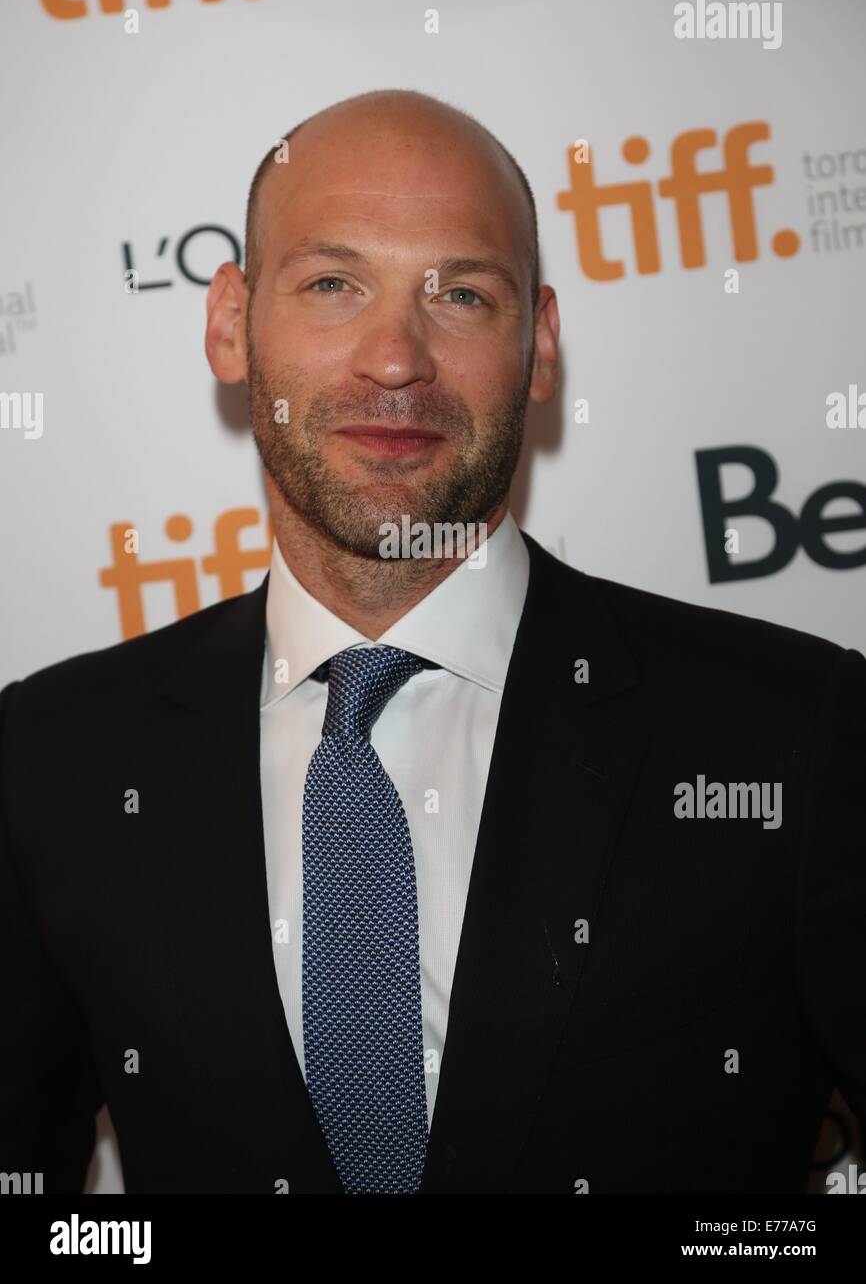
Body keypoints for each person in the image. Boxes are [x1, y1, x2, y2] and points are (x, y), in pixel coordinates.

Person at [1, 90, 863, 1195]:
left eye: (460, 293)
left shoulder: (790, 730)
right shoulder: (57, 752)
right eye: (332, 284)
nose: (396, 357)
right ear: (230, 321)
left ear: (539, 344)